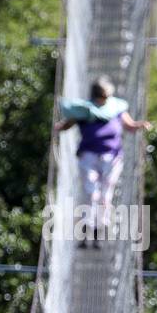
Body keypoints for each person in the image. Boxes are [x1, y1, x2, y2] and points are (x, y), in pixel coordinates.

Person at [55, 76, 150, 246]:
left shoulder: (116, 107)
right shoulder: (85, 109)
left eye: (106, 97)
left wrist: (139, 125)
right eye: (101, 97)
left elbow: (129, 125)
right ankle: (86, 229)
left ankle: (100, 229)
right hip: (89, 156)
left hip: (111, 157)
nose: (104, 101)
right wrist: (59, 127)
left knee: (105, 195)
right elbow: (69, 123)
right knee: (92, 193)